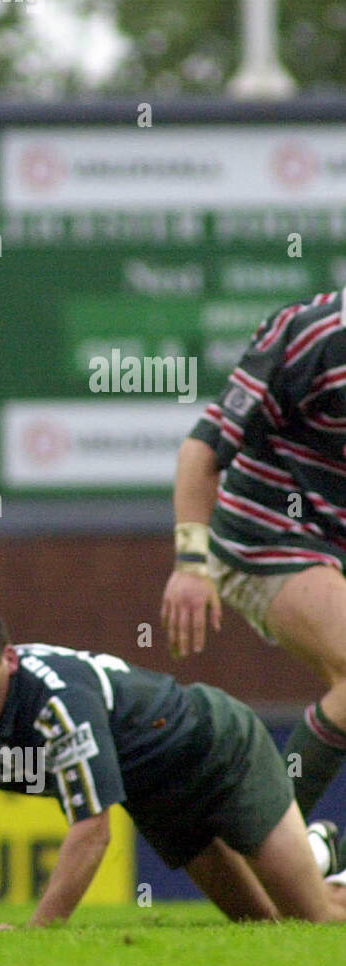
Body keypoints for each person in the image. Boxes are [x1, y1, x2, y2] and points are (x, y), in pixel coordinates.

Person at [0, 602, 346, 926]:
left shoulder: (58, 701)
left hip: (219, 752)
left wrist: (37, 931)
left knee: (313, 918)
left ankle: (321, 860)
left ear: (9, 660)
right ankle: (315, 856)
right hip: (158, 798)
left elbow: (93, 832)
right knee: (260, 924)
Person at [161, 290, 346, 824]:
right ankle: (271, 850)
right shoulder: (313, 336)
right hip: (267, 533)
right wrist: (192, 566)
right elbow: (201, 451)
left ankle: (300, 856)